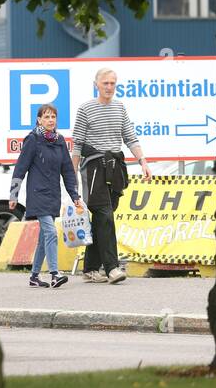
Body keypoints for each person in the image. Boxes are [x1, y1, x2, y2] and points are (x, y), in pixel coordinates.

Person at [71, 67, 152, 284]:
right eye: (105, 83)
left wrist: (143, 161)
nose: (109, 87)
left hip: (115, 165)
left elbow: (130, 137)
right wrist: (73, 179)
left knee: (102, 218)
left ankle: (89, 269)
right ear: (96, 84)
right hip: (93, 167)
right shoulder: (85, 109)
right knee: (105, 215)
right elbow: (77, 144)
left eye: (112, 83)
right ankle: (112, 268)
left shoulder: (120, 108)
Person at [10, 104, 83, 288]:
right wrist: (13, 195)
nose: (51, 120)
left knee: (44, 237)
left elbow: (67, 170)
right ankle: (55, 274)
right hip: (37, 195)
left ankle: (34, 276)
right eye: (47, 117)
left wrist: (74, 195)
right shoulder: (33, 139)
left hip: (53, 195)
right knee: (51, 231)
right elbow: (20, 168)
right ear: (39, 120)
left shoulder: (59, 141)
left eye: (53, 117)